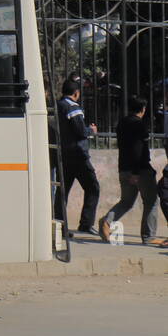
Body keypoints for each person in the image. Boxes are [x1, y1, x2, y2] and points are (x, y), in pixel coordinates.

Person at [101, 98, 164, 246]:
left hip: (124, 168)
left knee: (127, 201)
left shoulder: (122, 123)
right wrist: (136, 172)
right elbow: (138, 149)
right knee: (151, 202)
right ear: (142, 109)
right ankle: (149, 237)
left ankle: (107, 221)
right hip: (140, 169)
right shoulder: (139, 124)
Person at [55, 76, 100, 236]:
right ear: (76, 93)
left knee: (62, 193)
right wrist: (91, 131)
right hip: (78, 156)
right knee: (93, 188)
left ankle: (59, 227)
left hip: (63, 155)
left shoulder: (57, 106)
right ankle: (86, 224)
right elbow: (80, 131)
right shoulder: (73, 107)